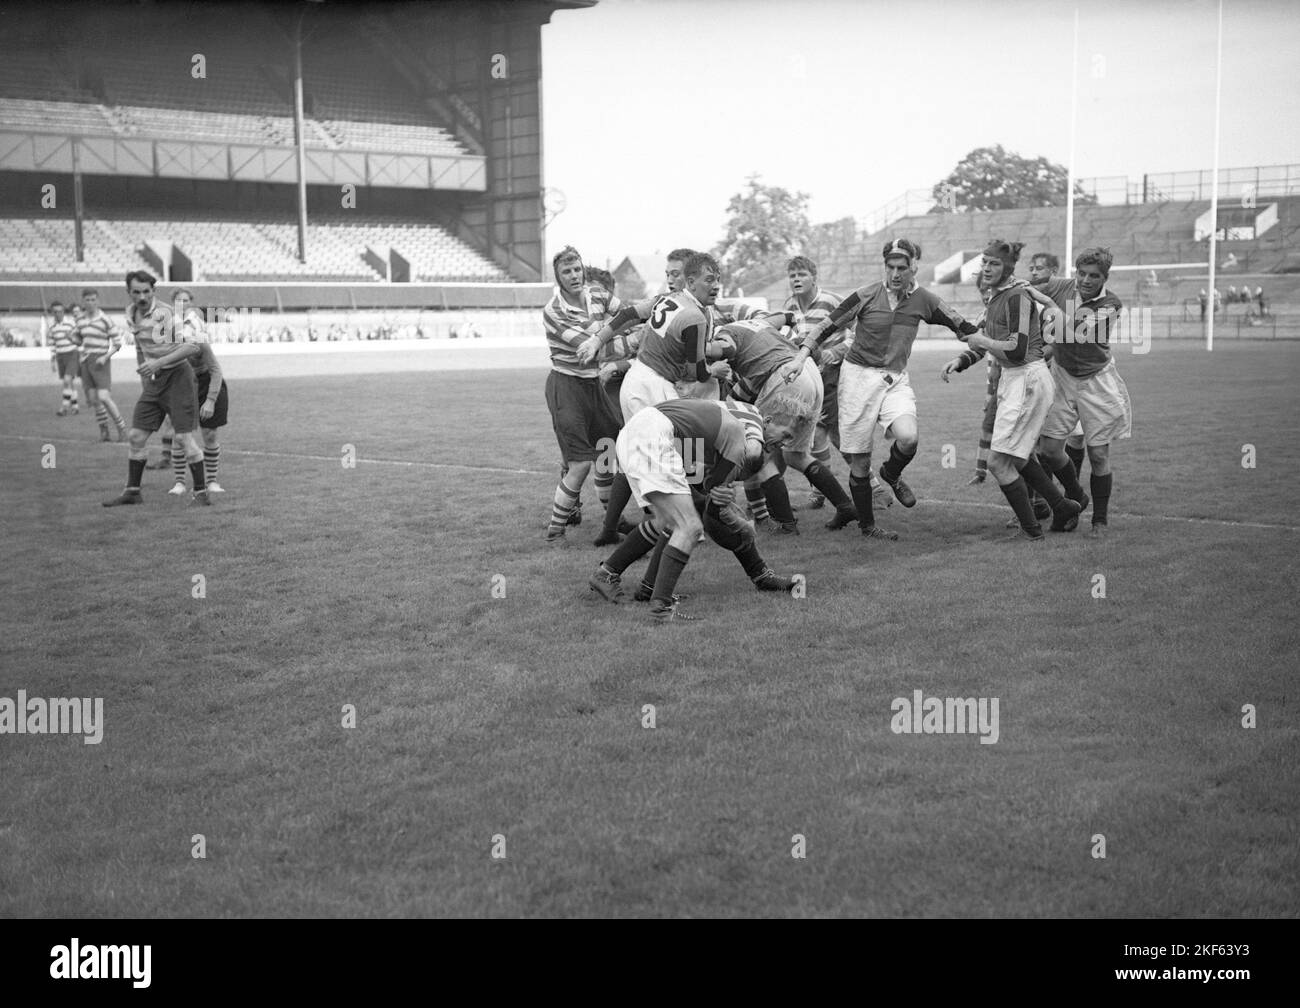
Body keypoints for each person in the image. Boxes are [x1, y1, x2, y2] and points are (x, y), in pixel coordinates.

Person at [784, 238, 979, 541]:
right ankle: (867, 526)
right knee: (859, 460)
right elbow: (827, 326)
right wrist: (800, 356)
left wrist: (990, 341)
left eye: (902, 267)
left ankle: (891, 472)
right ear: (885, 266)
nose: (896, 274)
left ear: (915, 266)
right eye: (890, 267)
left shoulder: (925, 299)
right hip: (857, 379)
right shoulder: (866, 294)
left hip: (894, 379)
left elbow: (961, 325)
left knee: (909, 437)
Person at [587, 398, 795, 623]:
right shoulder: (745, 439)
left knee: (669, 520)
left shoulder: (729, 419)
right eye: (785, 434)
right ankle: (661, 610)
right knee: (690, 527)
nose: (783, 443)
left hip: (636, 432)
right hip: (651, 435)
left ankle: (613, 576)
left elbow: (705, 496)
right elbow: (715, 516)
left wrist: (719, 495)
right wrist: (742, 527)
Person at [939, 240, 1081, 540]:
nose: (987, 268)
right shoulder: (997, 298)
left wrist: (981, 341)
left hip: (1027, 378)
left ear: (1008, 268)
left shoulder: (1017, 296)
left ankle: (1031, 531)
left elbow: (1016, 350)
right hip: (1015, 379)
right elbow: (986, 340)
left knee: (997, 462)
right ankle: (1062, 506)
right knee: (1017, 459)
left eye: (994, 264)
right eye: (985, 262)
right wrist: (963, 359)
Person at [708, 314, 856, 530]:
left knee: (760, 452)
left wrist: (698, 349)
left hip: (786, 376)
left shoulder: (725, 334)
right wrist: (789, 319)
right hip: (808, 371)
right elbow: (783, 318)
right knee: (795, 455)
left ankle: (785, 523)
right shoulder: (758, 326)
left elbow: (723, 349)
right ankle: (845, 506)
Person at [1033, 247, 1132, 537]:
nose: (1086, 280)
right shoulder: (1062, 285)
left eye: (1094, 276)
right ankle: (1076, 495)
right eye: (1082, 273)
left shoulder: (1112, 304)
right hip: (1062, 375)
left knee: (1098, 454)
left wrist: (1047, 303)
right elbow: (1024, 287)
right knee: (1049, 450)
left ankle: (1099, 520)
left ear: (1105, 277)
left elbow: (1074, 332)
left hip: (1096, 381)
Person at [101, 271, 210, 507]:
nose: (141, 296)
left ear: (154, 291)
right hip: (155, 380)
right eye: (136, 292)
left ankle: (201, 493)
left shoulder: (166, 313)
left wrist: (158, 363)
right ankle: (132, 491)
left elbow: (192, 346)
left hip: (179, 376)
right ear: (128, 292)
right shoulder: (131, 314)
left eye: (146, 291)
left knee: (183, 438)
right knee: (136, 436)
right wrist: (145, 371)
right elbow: (141, 347)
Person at [541, 246, 625, 542]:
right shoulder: (554, 311)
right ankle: (555, 532)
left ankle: (611, 523)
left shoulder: (598, 293)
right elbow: (590, 349)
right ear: (558, 277)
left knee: (607, 451)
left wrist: (607, 330)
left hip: (594, 386)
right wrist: (614, 332)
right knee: (579, 463)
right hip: (567, 387)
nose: (574, 275)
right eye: (567, 271)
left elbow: (627, 314)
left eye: (577, 269)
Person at [162, 290, 229, 495]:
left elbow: (216, 370)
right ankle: (180, 483)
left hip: (207, 380)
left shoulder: (198, 330)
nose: (181, 304)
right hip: (184, 383)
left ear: (191, 304)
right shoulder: (167, 330)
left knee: (209, 434)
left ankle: (212, 482)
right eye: (178, 301)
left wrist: (209, 401)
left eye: (185, 300)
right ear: (172, 304)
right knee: (180, 435)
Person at [72, 288, 127, 441]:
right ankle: (104, 431)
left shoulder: (105, 319)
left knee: (103, 397)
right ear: (83, 301)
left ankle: (121, 428)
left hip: (100, 361)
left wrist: (105, 357)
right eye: (87, 300)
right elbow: (77, 337)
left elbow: (117, 344)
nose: (90, 302)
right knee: (93, 399)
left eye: (93, 299)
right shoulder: (80, 320)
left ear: (98, 301)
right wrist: (73, 338)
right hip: (85, 361)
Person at [47, 301, 80, 416]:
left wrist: (72, 338)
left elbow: (79, 337)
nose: (58, 314)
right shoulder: (51, 327)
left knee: (66, 380)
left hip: (72, 354)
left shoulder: (71, 324)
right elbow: (52, 345)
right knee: (69, 382)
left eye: (60, 311)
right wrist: (52, 361)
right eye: (55, 312)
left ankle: (64, 407)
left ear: (63, 312)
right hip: (60, 356)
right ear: (52, 313)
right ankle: (75, 406)